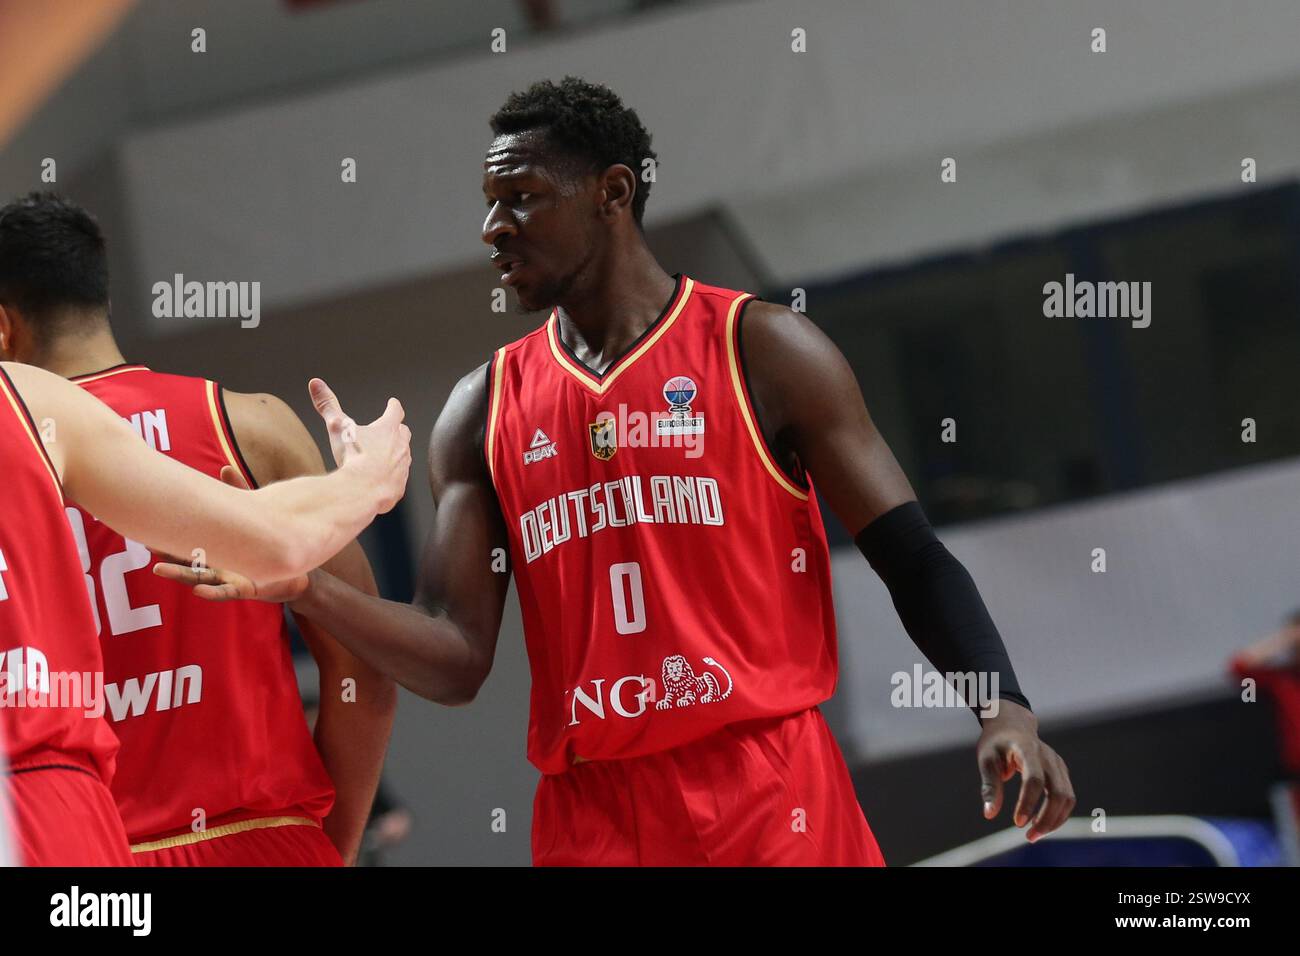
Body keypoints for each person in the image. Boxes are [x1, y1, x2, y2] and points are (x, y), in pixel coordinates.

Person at [161, 77, 1075, 865]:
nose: (492, 227)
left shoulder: (762, 349)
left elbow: (910, 558)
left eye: (519, 197)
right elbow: (456, 659)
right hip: (592, 813)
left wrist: (1005, 708)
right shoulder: (481, 409)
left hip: (767, 787)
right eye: (487, 201)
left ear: (612, 192)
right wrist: (305, 586)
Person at [0, 192, 396, 866]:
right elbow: (367, 670)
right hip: (261, 836)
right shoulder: (252, 427)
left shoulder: (18, 453)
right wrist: (324, 844)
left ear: (4, 330)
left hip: (82, 854)